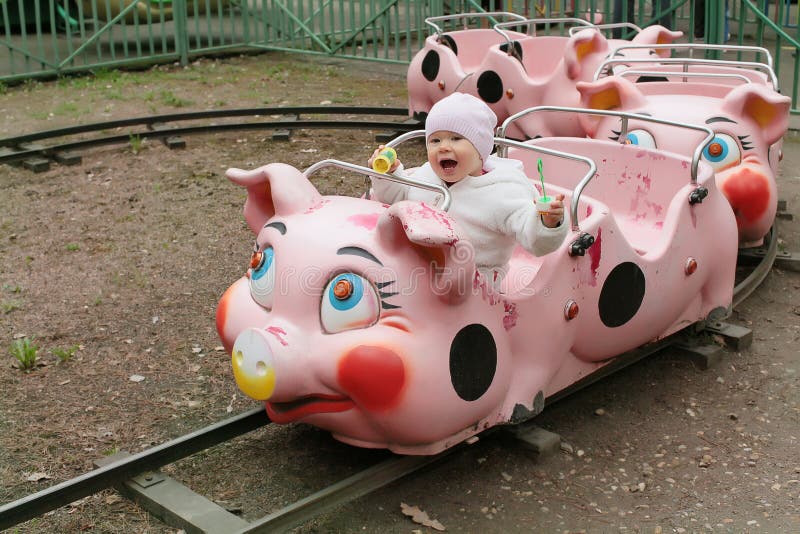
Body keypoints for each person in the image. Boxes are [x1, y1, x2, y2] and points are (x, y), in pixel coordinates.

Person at [368, 92, 568, 287]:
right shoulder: (426, 174)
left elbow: (535, 240)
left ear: (480, 149)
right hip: (418, 268)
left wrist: (548, 222)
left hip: (475, 283)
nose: (444, 147)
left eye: (456, 139)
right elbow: (397, 199)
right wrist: (388, 175)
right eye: (435, 140)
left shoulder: (504, 191)